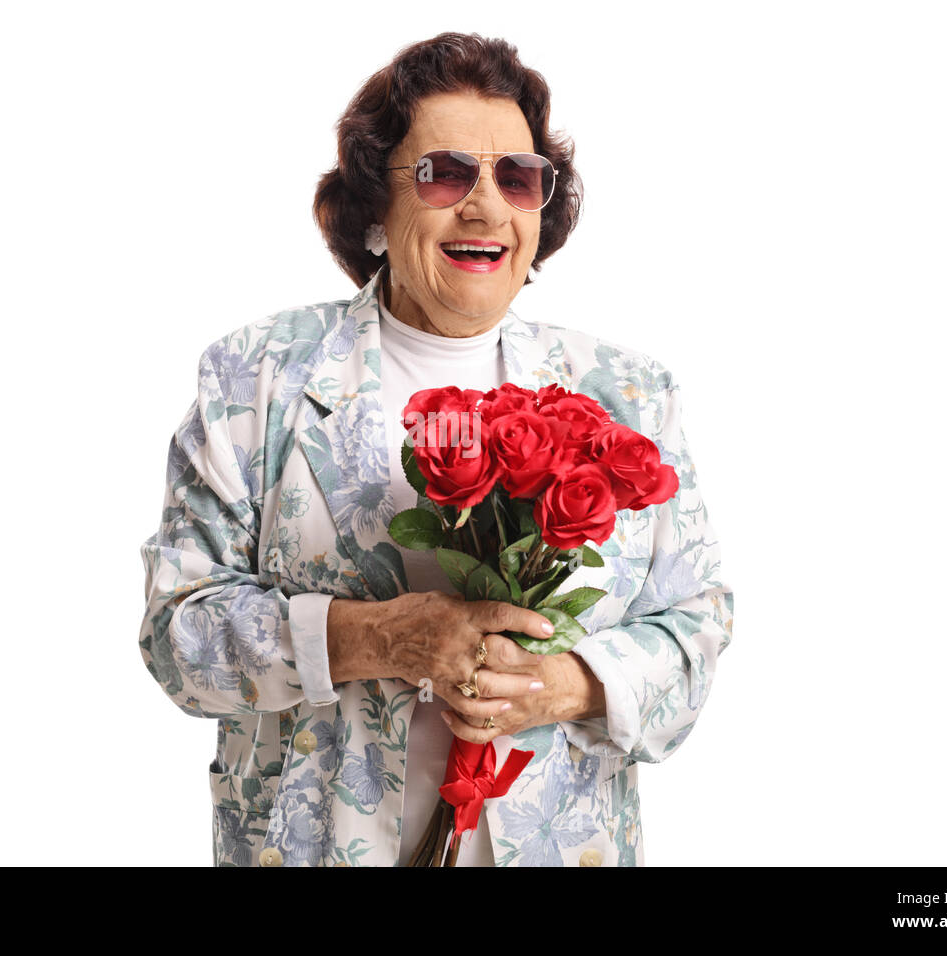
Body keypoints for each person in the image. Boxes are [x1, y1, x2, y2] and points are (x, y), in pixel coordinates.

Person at [138, 31, 734, 867]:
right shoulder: (256, 377)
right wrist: (375, 636)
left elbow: (698, 623)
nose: (486, 207)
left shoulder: (627, 393)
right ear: (375, 206)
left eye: (517, 179)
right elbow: (178, 635)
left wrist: (566, 684)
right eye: (445, 173)